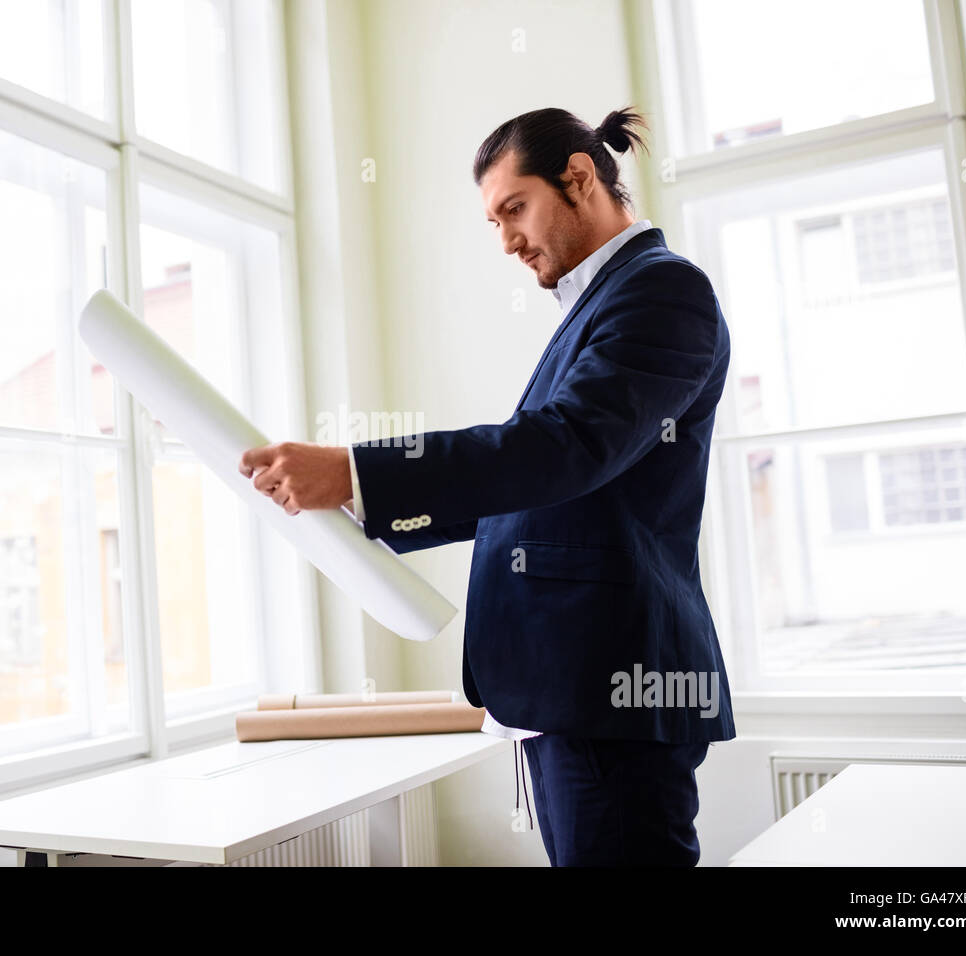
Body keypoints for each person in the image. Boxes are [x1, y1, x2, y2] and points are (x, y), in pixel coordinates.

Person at [238, 106, 735, 866]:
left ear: (578, 178)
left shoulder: (663, 293)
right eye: (494, 220)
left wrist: (356, 470)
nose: (505, 240)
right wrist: (355, 495)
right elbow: (544, 484)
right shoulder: (602, 305)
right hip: (579, 693)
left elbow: (563, 450)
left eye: (514, 209)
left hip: (615, 692)